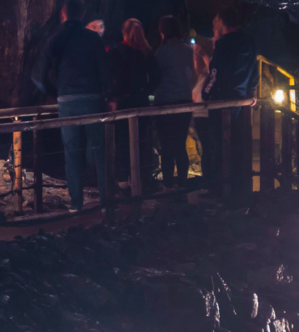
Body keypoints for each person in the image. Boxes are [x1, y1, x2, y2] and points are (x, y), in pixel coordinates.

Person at [33, 0, 110, 212]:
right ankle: (105, 202)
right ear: (82, 15)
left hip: (67, 100)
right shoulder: (93, 38)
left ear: (63, 15)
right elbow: (105, 70)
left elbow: (38, 76)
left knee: (71, 152)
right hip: (93, 99)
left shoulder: (55, 39)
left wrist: (55, 93)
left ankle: (76, 204)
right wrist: (105, 92)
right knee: (99, 149)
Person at [197, 10, 260, 194]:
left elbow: (215, 72)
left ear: (221, 22)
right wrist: (250, 93)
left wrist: (206, 94)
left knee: (219, 145)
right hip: (241, 101)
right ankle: (239, 186)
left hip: (221, 101)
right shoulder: (249, 41)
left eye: (215, 22)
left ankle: (219, 189)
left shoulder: (224, 44)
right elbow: (254, 72)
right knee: (238, 144)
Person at [107, 18, 159, 184]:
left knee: (123, 142)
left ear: (124, 32)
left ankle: (123, 180)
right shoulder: (147, 53)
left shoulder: (117, 52)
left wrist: (113, 97)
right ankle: (141, 178)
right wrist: (146, 90)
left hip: (123, 102)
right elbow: (157, 78)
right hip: (141, 101)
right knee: (141, 141)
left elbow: (113, 79)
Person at [151, 16, 195, 185]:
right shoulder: (187, 49)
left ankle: (168, 184)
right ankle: (183, 184)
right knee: (180, 145)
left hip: (165, 102)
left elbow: (156, 76)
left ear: (162, 31)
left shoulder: (162, 52)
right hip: (184, 101)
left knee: (167, 146)